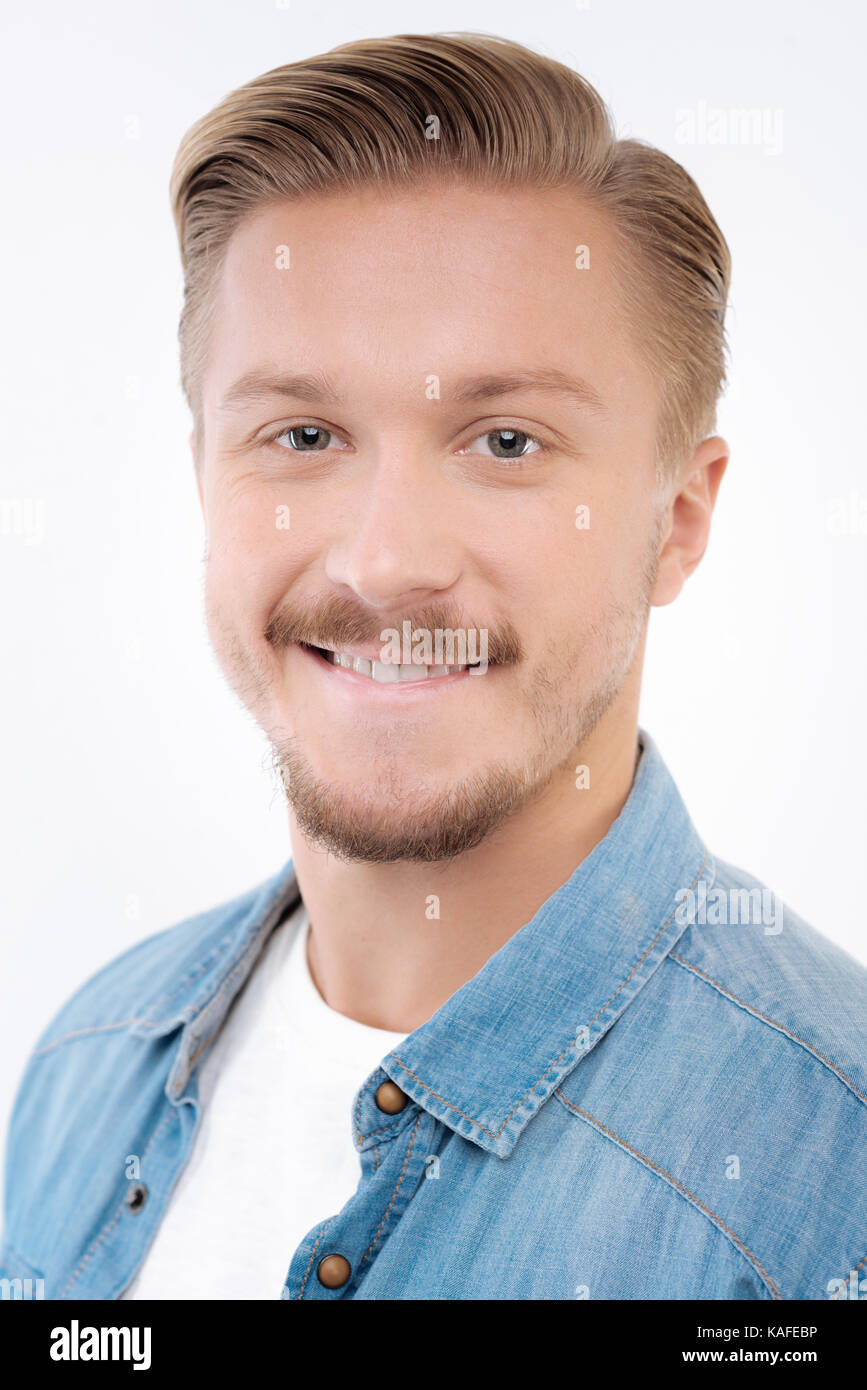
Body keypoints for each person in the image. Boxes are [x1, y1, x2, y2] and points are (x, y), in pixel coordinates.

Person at [2, 32, 865, 1302]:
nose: (385, 562)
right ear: (205, 480)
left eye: (506, 440)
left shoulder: (834, 1176)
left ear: (679, 517)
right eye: (302, 434)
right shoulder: (85, 1056)